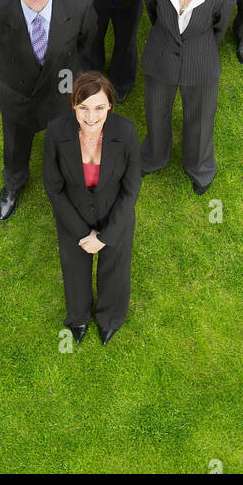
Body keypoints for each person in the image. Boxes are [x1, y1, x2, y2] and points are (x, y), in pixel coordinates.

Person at [0, 0, 98, 222]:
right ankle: (13, 184)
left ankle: (69, 181)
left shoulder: (80, 3)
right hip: (17, 95)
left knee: (67, 139)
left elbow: (86, 41)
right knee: (15, 144)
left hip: (63, 91)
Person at [43, 71, 142, 345]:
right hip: (72, 215)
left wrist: (105, 237)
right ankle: (78, 317)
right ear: (73, 105)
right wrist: (81, 233)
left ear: (110, 105)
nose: (91, 117)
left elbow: (131, 188)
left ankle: (110, 317)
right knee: (74, 268)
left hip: (116, 215)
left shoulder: (126, 132)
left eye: (99, 107)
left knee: (116, 267)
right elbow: (54, 187)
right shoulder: (56, 132)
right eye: (83, 107)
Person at [139, 0, 233, 193]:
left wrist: (199, 48)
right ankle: (155, 157)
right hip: (161, 58)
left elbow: (219, 28)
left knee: (201, 120)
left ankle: (200, 168)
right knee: (156, 113)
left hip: (201, 62)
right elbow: (153, 13)